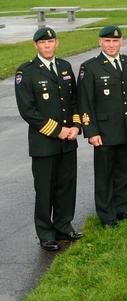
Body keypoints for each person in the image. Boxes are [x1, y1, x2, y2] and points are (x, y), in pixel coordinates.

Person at [15, 27, 82, 251]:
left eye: (51, 42)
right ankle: (45, 233)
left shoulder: (64, 67)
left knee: (66, 185)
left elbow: (74, 100)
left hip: (68, 140)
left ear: (57, 43)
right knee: (45, 190)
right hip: (44, 143)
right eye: (42, 42)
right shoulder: (26, 72)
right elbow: (28, 111)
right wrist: (58, 131)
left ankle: (64, 226)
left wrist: (74, 125)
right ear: (36, 45)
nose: (47, 46)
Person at [78, 25, 127, 227]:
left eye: (115, 41)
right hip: (104, 132)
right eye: (107, 41)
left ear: (121, 42)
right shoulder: (90, 67)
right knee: (105, 175)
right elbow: (85, 102)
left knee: (125, 171)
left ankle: (121, 208)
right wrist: (91, 132)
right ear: (100, 42)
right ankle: (107, 215)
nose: (111, 45)